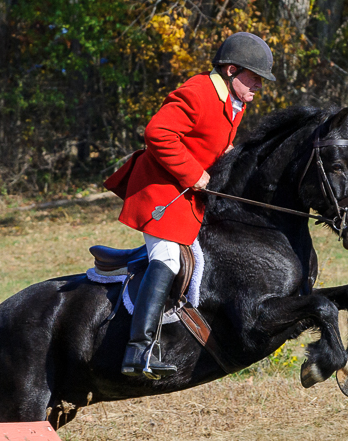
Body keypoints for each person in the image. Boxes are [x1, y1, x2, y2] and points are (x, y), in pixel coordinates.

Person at [104, 32, 276, 378]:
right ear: (231, 69)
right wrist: (192, 172)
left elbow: (208, 143)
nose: (259, 84)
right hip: (162, 194)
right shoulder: (200, 91)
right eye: (254, 76)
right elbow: (157, 132)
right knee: (166, 258)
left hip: (189, 198)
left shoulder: (233, 103)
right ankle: (137, 353)